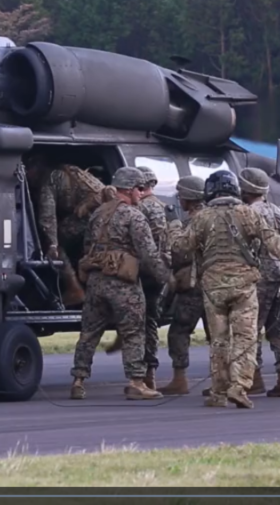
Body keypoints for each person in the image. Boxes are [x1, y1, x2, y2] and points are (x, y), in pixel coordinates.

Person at [171, 170, 280, 409]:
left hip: (213, 286)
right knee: (245, 338)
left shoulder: (201, 217)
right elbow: (273, 241)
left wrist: (173, 228)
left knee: (219, 340)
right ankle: (239, 387)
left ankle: (218, 393)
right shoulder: (248, 214)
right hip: (244, 285)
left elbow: (181, 247)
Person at [69, 167, 171, 401]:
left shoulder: (98, 213)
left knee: (89, 333)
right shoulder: (134, 216)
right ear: (131, 189)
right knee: (134, 331)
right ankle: (136, 381)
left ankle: (78, 380)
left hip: (95, 281)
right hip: (123, 284)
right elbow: (148, 253)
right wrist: (166, 278)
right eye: (140, 188)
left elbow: (86, 245)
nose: (142, 193)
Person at [238, 167, 280, 397]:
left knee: (252, 328)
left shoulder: (247, 213)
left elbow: (245, 248)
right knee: (277, 329)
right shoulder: (278, 212)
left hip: (259, 276)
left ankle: (254, 378)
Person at [27, 156, 107, 307]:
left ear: (36, 168)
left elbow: (47, 217)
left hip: (91, 216)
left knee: (52, 242)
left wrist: (52, 244)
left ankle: (74, 289)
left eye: (27, 171)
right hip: (104, 214)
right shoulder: (68, 170)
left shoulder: (49, 180)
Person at [156, 175, 209, 395]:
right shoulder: (215, 218)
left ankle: (180, 379)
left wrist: (173, 225)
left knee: (179, 331)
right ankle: (223, 380)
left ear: (187, 198)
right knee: (217, 334)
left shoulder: (191, 222)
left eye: (181, 195)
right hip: (216, 284)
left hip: (194, 286)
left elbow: (179, 251)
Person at [135, 165, 170, 390]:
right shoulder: (162, 206)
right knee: (151, 322)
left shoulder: (141, 208)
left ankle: (145, 372)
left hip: (145, 271)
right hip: (158, 270)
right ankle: (150, 373)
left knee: (143, 323)